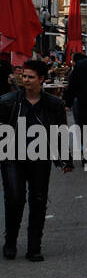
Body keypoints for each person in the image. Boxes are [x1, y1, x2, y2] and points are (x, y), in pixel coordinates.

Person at [0, 58, 72, 260]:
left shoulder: (54, 104)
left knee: (38, 200)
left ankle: (34, 247)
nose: (26, 80)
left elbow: (60, 132)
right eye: (24, 76)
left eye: (31, 77)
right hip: (12, 156)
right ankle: (11, 242)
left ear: (41, 79)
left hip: (40, 156)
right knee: (14, 199)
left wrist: (64, 159)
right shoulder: (8, 101)